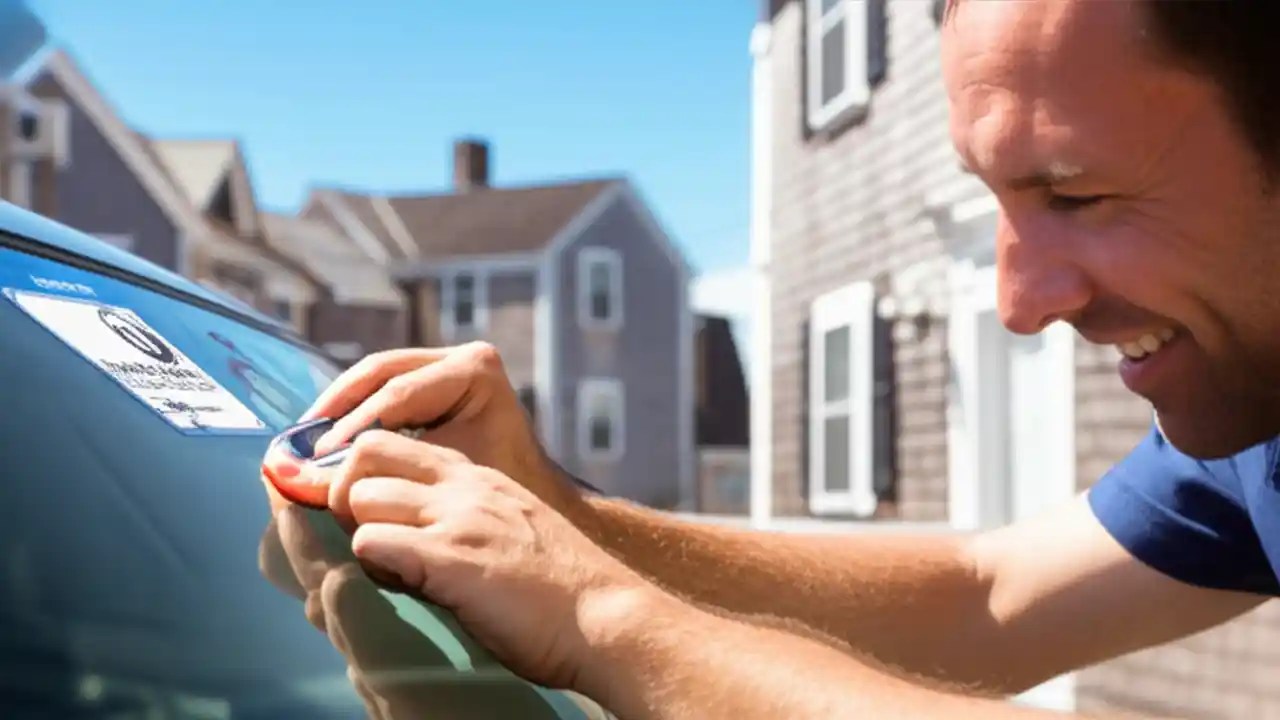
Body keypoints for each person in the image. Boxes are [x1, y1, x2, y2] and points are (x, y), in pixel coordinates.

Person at [261, 1, 1280, 717]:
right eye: (995, 202)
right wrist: (555, 515)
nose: (1016, 303)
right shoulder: (1252, 431)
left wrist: (604, 617)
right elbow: (986, 599)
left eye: (1075, 196)